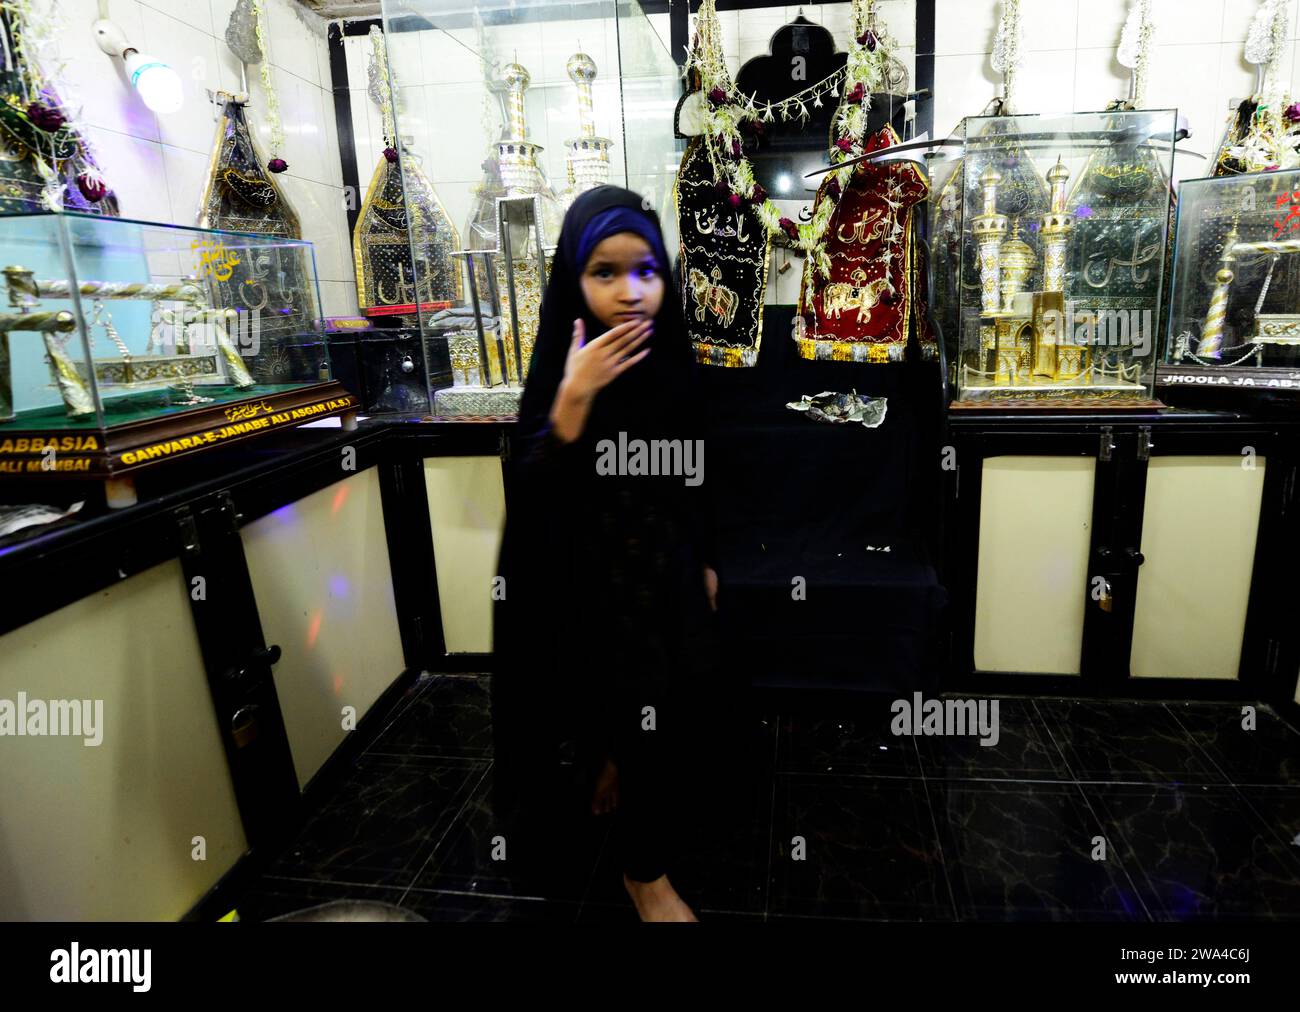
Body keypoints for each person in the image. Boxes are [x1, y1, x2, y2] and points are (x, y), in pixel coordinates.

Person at [491, 186, 721, 922]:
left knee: (662, 714)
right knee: (605, 698)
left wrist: (704, 560)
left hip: (662, 577)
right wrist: (572, 403)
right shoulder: (567, 357)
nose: (630, 292)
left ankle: (641, 857)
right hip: (588, 585)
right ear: (573, 281)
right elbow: (528, 494)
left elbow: (699, 470)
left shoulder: (671, 356)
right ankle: (633, 848)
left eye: (646, 270)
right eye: (605, 272)